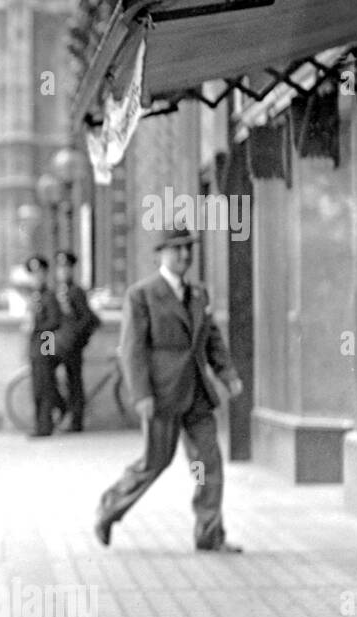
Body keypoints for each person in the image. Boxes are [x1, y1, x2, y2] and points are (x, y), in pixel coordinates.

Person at [94, 230, 244, 551]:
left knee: (207, 463)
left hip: (197, 395)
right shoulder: (142, 295)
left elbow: (212, 339)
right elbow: (132, 348)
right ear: (159, 254)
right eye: (176, 250)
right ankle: (110, 507)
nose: (184, 256)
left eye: (188, 249)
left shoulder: (199, 294)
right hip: (162, 395)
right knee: (155, 461)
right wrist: (142, 394)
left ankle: (209, 532)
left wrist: (227, 374)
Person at [52, 249, 100, 432]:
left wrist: (74, 335)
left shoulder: (76, 291)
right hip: (53, 341)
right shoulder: (55, 290)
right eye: (60, 268)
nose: (63, 272)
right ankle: (61, 406)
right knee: (44, 370)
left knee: (74, 380)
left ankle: (76, 421)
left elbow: (88, 317)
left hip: (71, 344)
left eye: (67, 268)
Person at [25, 254, 62, 437]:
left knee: (45, 385)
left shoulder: (49, 296)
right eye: (33, 274)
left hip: (44, 344)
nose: (36, 277)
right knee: (38, 388)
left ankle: (45, 425)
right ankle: (41, 423)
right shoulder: (35, 297)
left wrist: (46, 351)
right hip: (35, 346)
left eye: (39, 273)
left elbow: (54, 323)